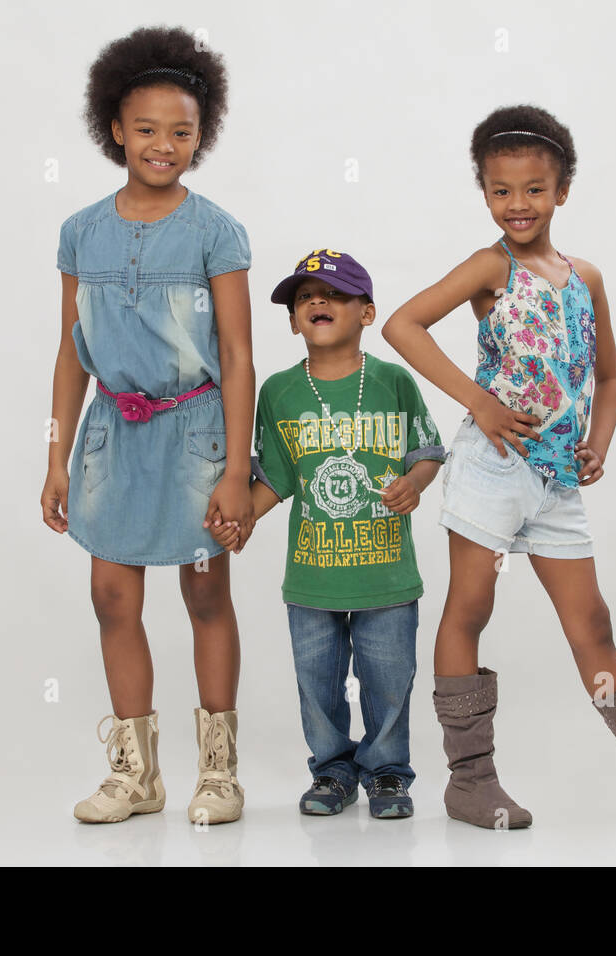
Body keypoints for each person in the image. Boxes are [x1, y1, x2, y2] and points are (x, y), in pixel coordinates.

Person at [381, 105, 616, 829]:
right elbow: (403, 323)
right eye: (500, 190)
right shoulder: (493, 267)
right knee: (471, 609)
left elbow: (610, 379)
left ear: (562, 191)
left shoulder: (585, 277)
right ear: (485, 193)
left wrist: (600, 443)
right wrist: (480, 400)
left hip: (555, 481)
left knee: (592, 622)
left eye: (532, 189)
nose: (517, 205)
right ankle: (470, 780)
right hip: (491, 469)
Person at [40, 26, 254, 826]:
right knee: (109, 595)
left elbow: (236, 356)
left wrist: (235, 467)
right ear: (115, 131)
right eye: (147, 129)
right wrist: (58, 456)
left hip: (196, 433)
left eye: (183, 132)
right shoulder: (81, 232)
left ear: (202, 136)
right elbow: (71, 356)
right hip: (110, 439)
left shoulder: (214, 232)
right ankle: (136, 773)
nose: (164, 145)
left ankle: (219, 768)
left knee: (205, 593)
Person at [210, 249, 446, 819]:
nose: (318, 301)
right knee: (317, 683)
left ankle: (387, 774)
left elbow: (428, 452)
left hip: (386, 574)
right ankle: (333, 771)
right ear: (293, 319)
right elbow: (278, 477)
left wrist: (414, 484)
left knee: (389, 681)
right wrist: (242, 520)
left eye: (336, 293)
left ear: (367, 312)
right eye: (304, 297)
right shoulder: (279, 392)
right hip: (313, 575)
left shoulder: (393, 381)